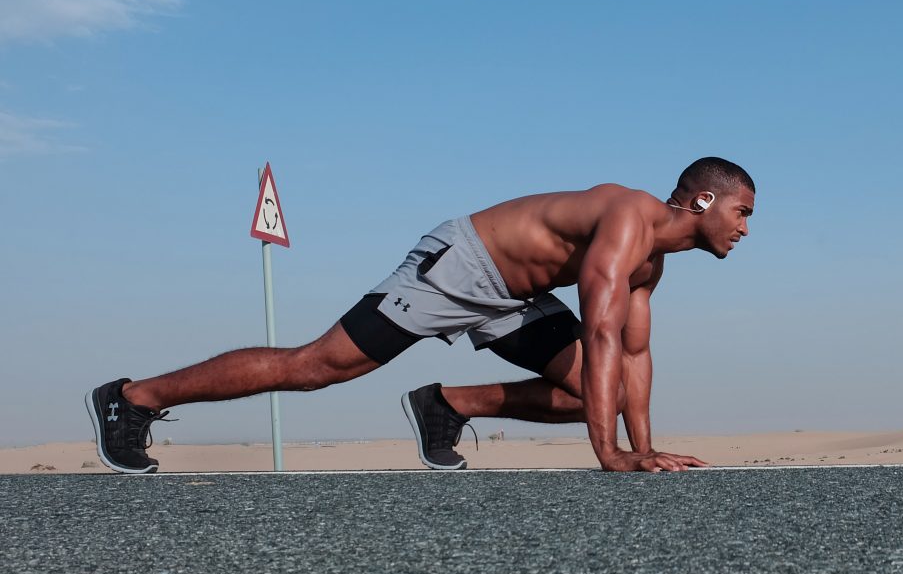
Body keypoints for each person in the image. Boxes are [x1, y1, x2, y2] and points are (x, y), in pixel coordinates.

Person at [86, 157, 755, 474]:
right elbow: (603, 331)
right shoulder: (627, 219)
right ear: (700, 201)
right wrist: (609, 455)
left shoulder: (652, 265)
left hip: (511, 295)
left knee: (592, 391)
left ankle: (446, 405)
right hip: (461, 265)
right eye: (742, 212)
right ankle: (132, 398)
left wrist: (641, 450)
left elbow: (632, 358)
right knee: (317, 367)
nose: (745, 229)